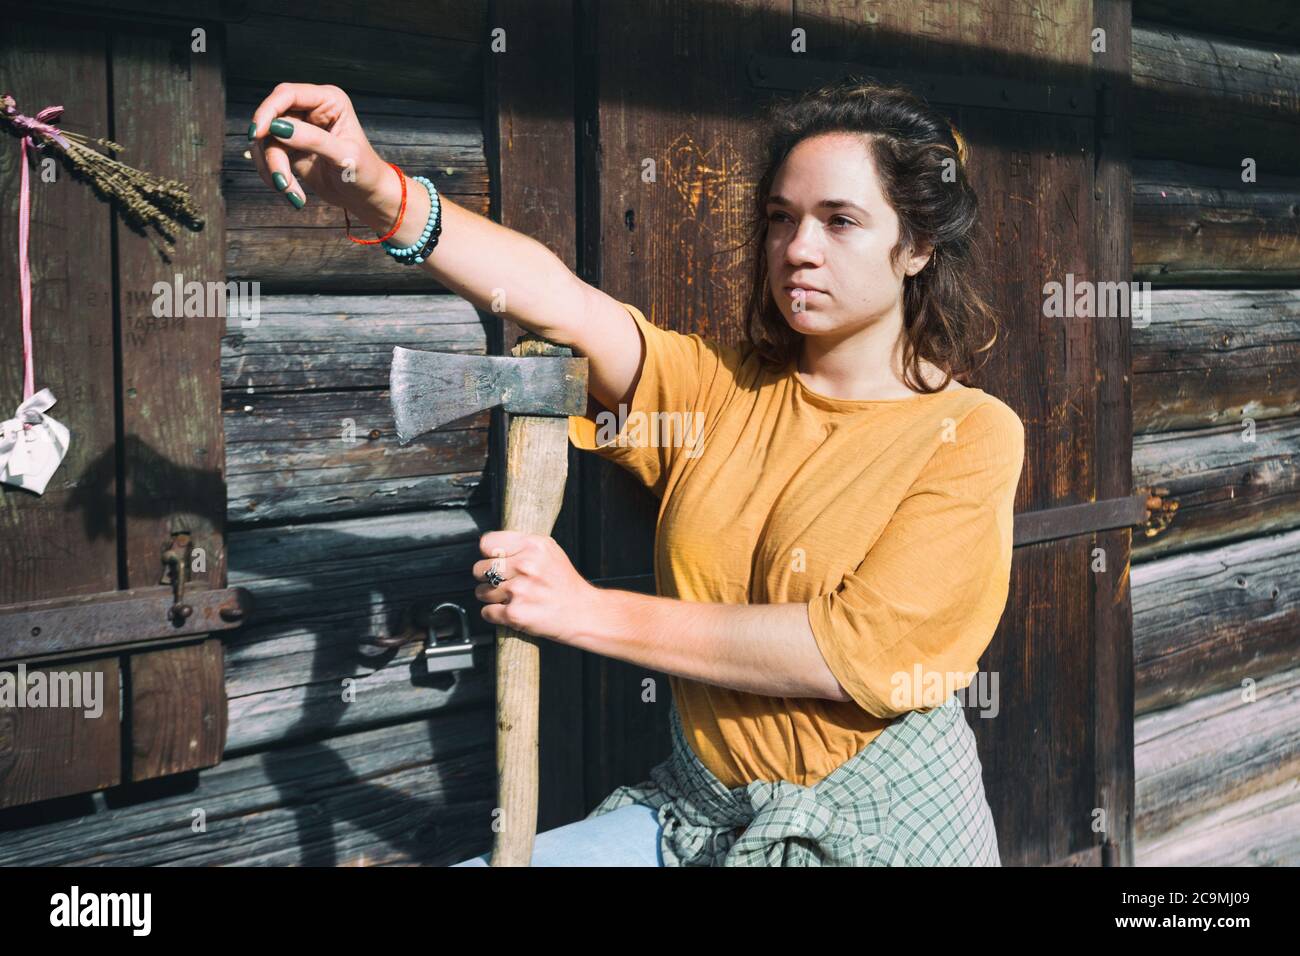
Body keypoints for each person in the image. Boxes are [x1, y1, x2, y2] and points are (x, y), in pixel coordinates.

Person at [248, 76, 1022, 867]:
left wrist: (583, 611)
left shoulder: (970, 435)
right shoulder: (719, 394)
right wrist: (379, 191)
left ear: (919, 246)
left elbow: (849, 654)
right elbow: (562, 302)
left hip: (882, 833)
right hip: (703, 816)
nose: (799, 248)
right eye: (781, 219)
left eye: (840, 220)